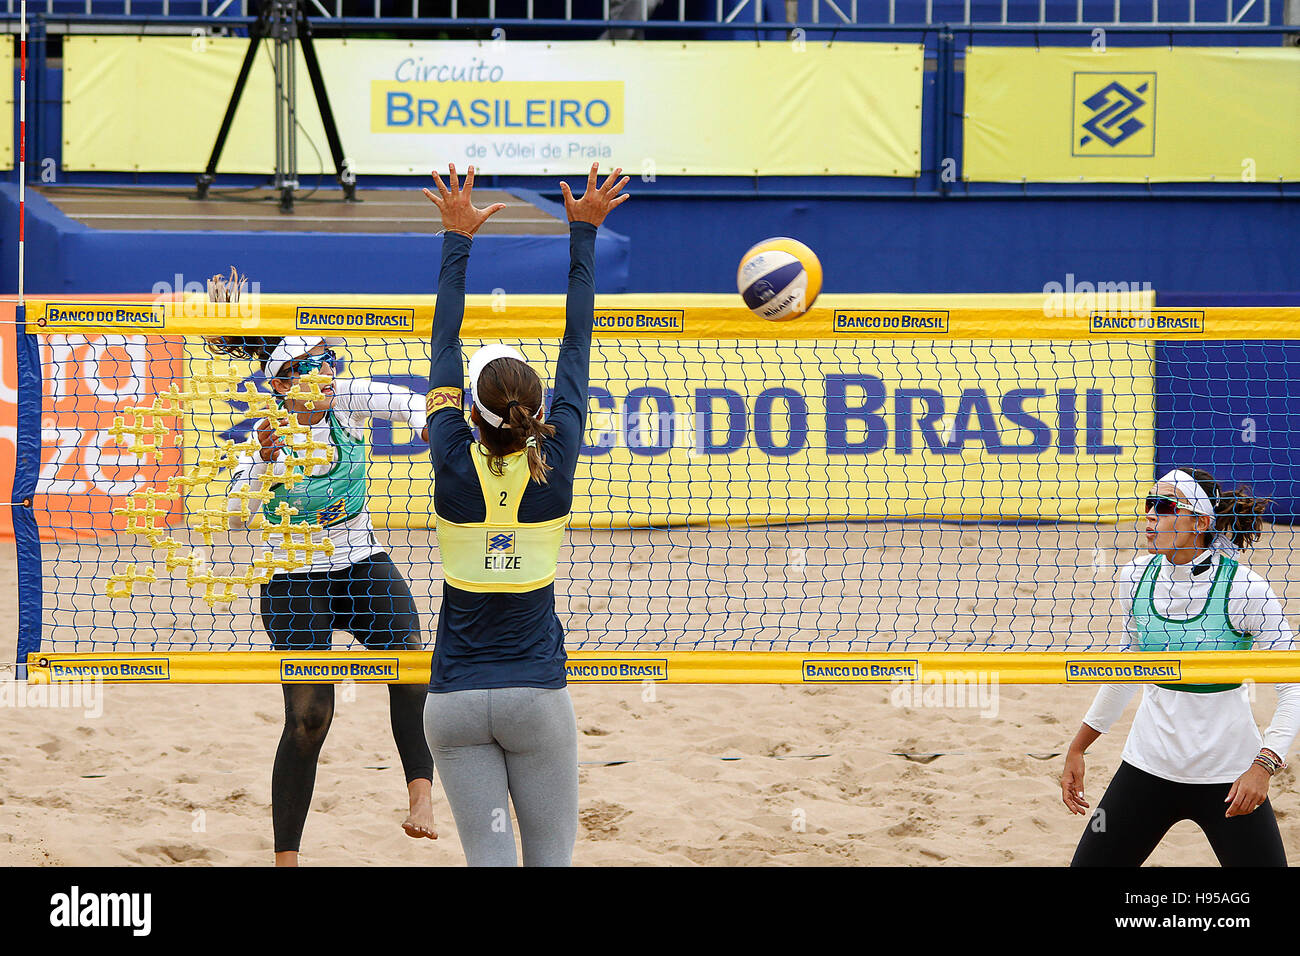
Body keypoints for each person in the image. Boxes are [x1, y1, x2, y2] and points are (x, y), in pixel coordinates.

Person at [420, 161, 628, 866]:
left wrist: (457, 240)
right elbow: (577, 342)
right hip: (533, 696)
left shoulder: (452, 457)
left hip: (451, 704)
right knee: (550, 862)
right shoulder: (557, 461)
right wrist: (583, 233)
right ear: (536, 414)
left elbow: (443, 344)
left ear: (470, 415)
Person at [208, 271, 437, 866]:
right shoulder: (263, 441)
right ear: (285, 386)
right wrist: (263, 464)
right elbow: (236, 515)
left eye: (329, 360)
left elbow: (414, 404)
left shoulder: (350, 400)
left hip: (359, 560)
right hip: (292, 575)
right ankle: (288, 858)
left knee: (412, 665)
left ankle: (420, 799)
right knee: (310, 718)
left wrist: (442, 442)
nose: (328, 371)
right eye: (314, 365)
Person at [1062, 466, 1300, 866]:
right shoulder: (1135, 576)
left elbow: (1293, 686)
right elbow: (1127, 669)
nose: (1151, 515)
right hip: (1147, 768)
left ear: (1201, 522)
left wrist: (1264, 765)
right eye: (1149, 504)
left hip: (1231, 777)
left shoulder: (1245, 587)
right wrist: (1078, 747)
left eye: (1165, 506)